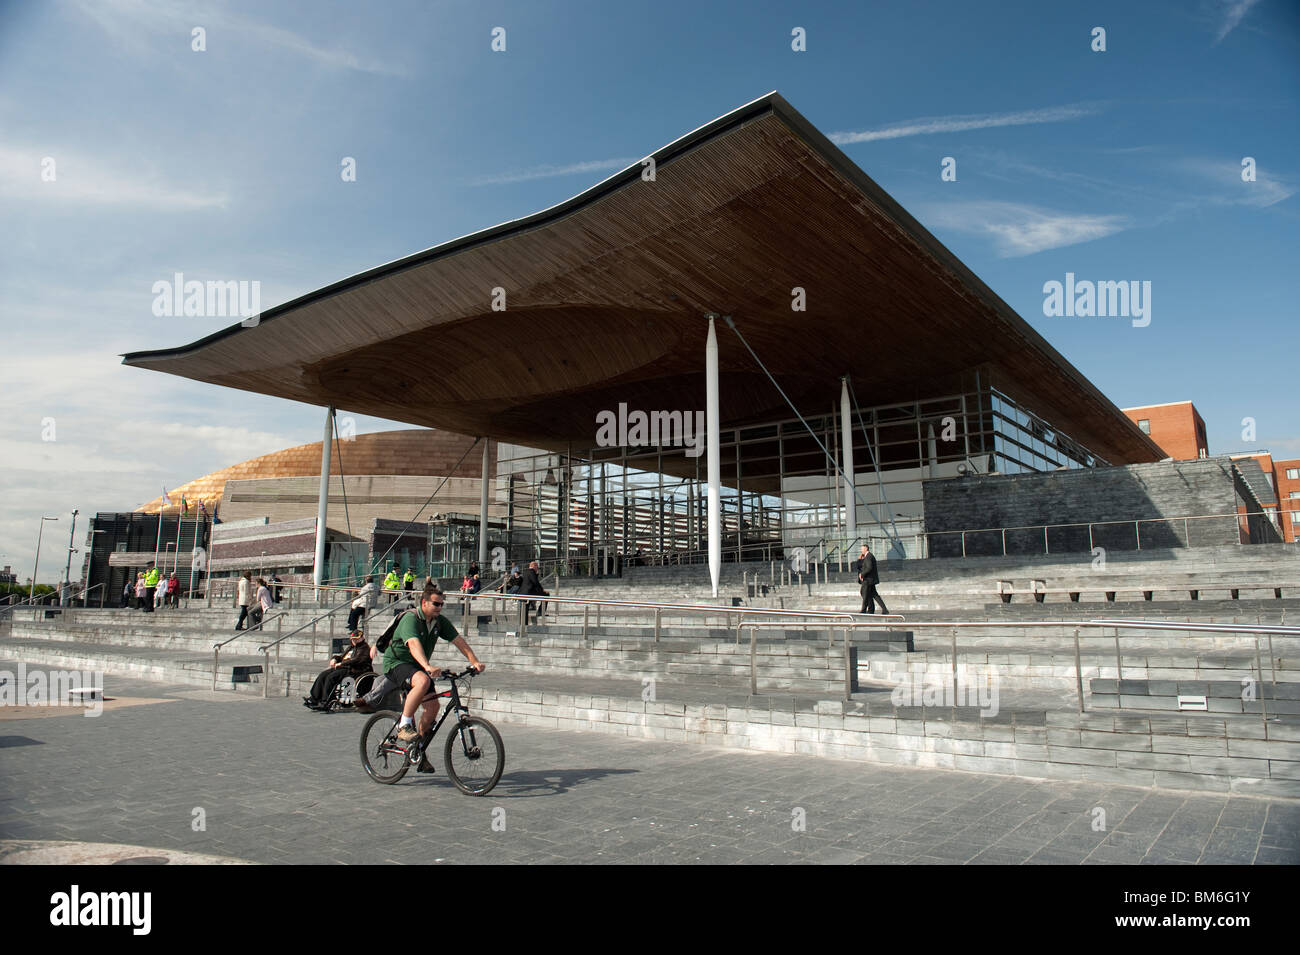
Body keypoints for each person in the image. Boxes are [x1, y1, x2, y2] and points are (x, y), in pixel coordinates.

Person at [369, 583, 485, 772]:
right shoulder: (411, 619)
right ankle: (404, 726)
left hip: (417, 666)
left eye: (442, 604)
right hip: (397, 663)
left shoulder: (439, 622)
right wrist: (428, 666)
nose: (440, 608)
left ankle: (419, 749)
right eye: (436, 604)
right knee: (422, 680)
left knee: (433, 707)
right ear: (424, 603)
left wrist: (475, 662)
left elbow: (459, 641)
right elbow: (413, 644)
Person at [303, 629, 372, 709]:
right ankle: (314, 698)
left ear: (362, 638)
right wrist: (334, 659)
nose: (354, 640)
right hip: (344, 667)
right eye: (353, 639)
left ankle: (326, 701)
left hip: (355, 670)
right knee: (323, 674)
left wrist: (341, 664)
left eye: (356, 639)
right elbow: (342, 657)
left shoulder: (364, 648)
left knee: (331, 677)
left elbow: (357, 660)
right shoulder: (351, 647)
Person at [856, 544, 889, 615]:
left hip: (868, 580)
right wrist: (859, 560)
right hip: (870, 579)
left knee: (864, 593)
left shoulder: (869, 557)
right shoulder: (867, 556)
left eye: (862, 549)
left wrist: (862, 574)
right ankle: (882, 609)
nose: (861, 550)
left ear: (866, 549)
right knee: (874, 595)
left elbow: (869, 568)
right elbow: (861, 566)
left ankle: (864, 610)